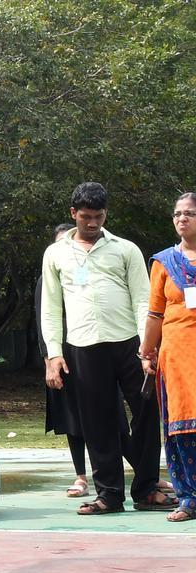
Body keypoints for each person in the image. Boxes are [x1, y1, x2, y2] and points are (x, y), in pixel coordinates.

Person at [41, 181, 172, 515]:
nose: (93, 223)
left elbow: (144, 300)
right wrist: (53, 355)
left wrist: (148, 348)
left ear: (105, 214)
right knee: (97, 422)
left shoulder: (125, 249)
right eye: (86, 216)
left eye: (98, 216)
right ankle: (109, 496)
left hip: (129, 344)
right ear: (73, 214)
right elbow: (51, 308)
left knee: (146, 413)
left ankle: (145, 490)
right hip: (82, 347)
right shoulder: (56, 253)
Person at [141, 192, 196, 522]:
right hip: (175, 354)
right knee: (181, 427)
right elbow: (154, 314)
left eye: (189, 213)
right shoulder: (164, 262)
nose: (182, 219)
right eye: (177, 214)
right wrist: (147, 351)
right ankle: (189, 497)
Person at [36, 224, 94, 498]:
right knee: (73, 420)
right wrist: (50, 360)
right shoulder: (47, 281)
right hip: (63, 358)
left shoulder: (89, 276)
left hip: (93, 354)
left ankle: (143, 476)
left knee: (109, 416)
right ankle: (80, 476)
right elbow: (42, 323)